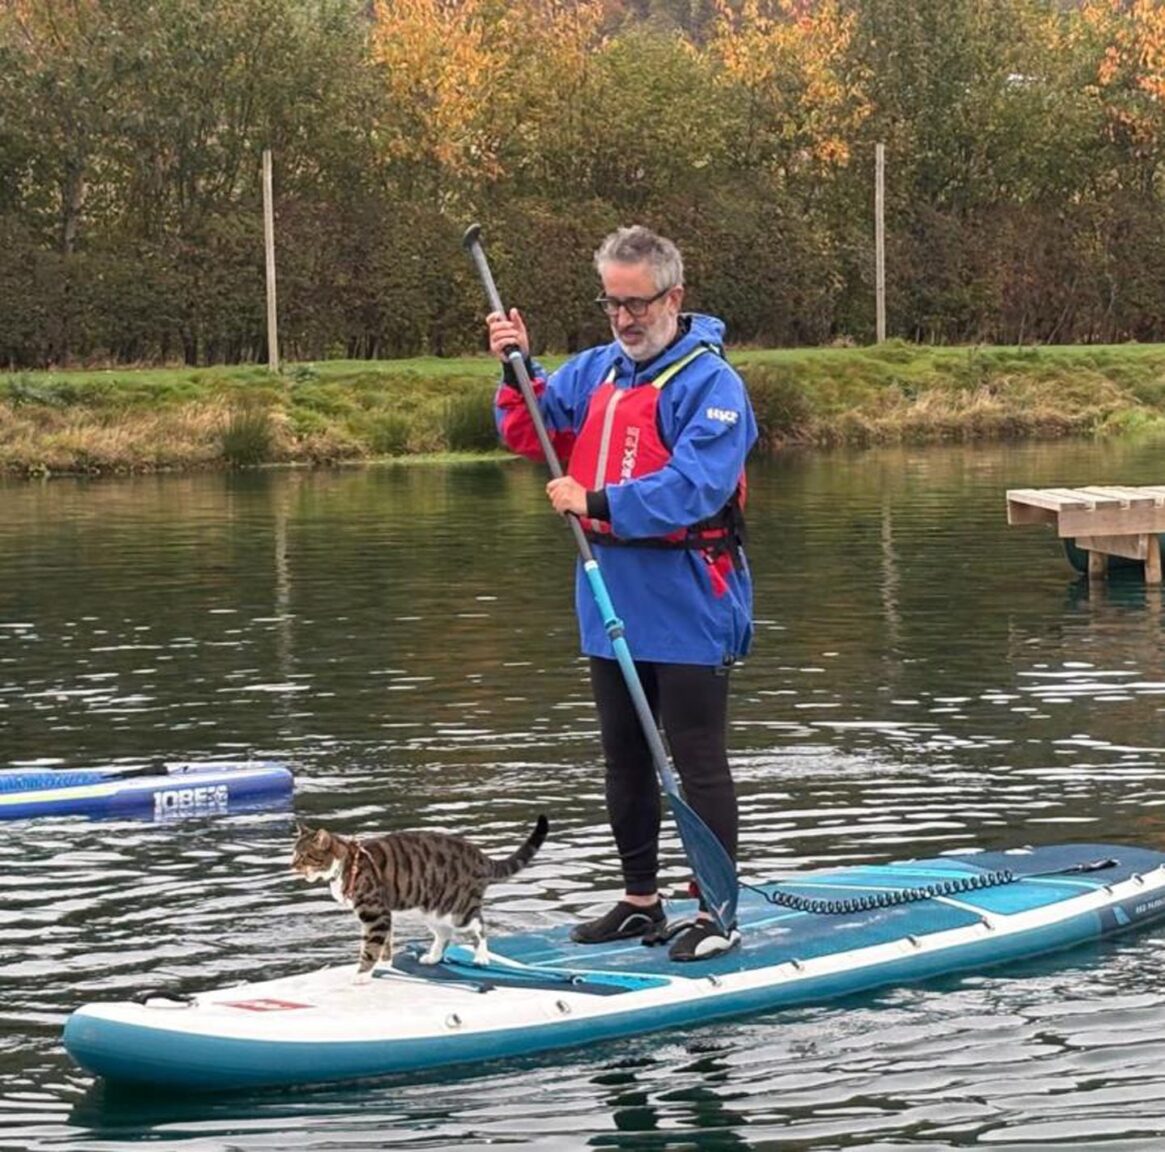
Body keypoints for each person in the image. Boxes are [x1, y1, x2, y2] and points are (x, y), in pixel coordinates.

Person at [486, 225, 757, 962]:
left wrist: (594, 502)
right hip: (610, 593)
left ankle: (716, 911)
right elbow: (534, 427)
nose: (624, 320)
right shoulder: (598, 369)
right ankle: (642, 901)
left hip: (689, 591)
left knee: (695, 755)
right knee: (624, 753)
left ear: (673, 297)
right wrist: (517, 368)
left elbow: (694, 486)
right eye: (611, 304)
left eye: (636, 304)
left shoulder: (711, 384)